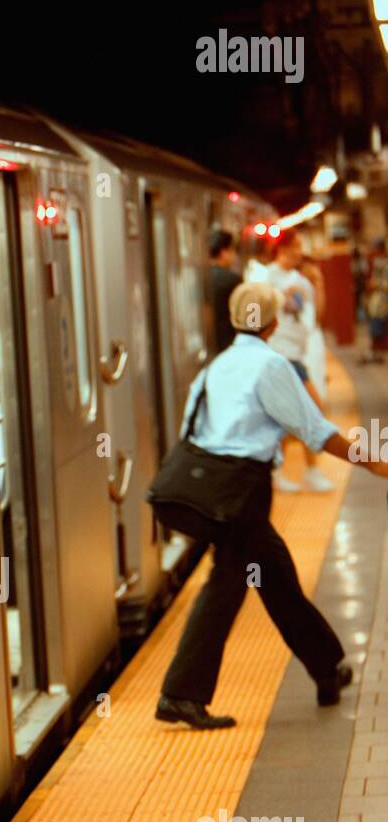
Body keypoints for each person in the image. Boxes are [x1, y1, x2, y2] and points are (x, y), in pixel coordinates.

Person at [156, 281, 388, 731]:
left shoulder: (216, 367)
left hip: (210, 490)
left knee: (275, 575)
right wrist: (373, 463)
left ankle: (327, 668)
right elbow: (315, 430)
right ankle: (179, 694)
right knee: (228, 582)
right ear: (274, 322)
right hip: (241, 492)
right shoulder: (270, 366)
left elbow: (192, 427)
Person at [263, 230, 334, 494]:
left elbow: (315, 319)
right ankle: (301, 470)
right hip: (276, 355)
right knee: (308, 410)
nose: (299, 252)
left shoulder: (300, 280)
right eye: (295, 246)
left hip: (296, 354)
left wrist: (319, 286)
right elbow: (253, 315)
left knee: (297, 415)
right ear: (282, 248)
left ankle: (288, 471)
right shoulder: (265, 277)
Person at [208, 229, 241, 353]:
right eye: (232, 251)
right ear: (223, 252)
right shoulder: (232, 279)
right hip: (229, 344)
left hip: (209, 344)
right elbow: (250, 310)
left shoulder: (199, 277)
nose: (234, 256)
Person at [300, 256, 327, 402]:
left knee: (315, 375)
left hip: (312, 336)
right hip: (300, 340)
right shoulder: (294, 284)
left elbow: (318, 316)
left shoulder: (311, 286)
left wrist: (319, 283)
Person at [363, 237, 388, 365]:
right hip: (375, 301)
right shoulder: (377, 262)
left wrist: (376, 285)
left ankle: (375, 353)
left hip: (382, 301)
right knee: (373, 327)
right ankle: (372, 353)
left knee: (377, 328)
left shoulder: (385, 264)